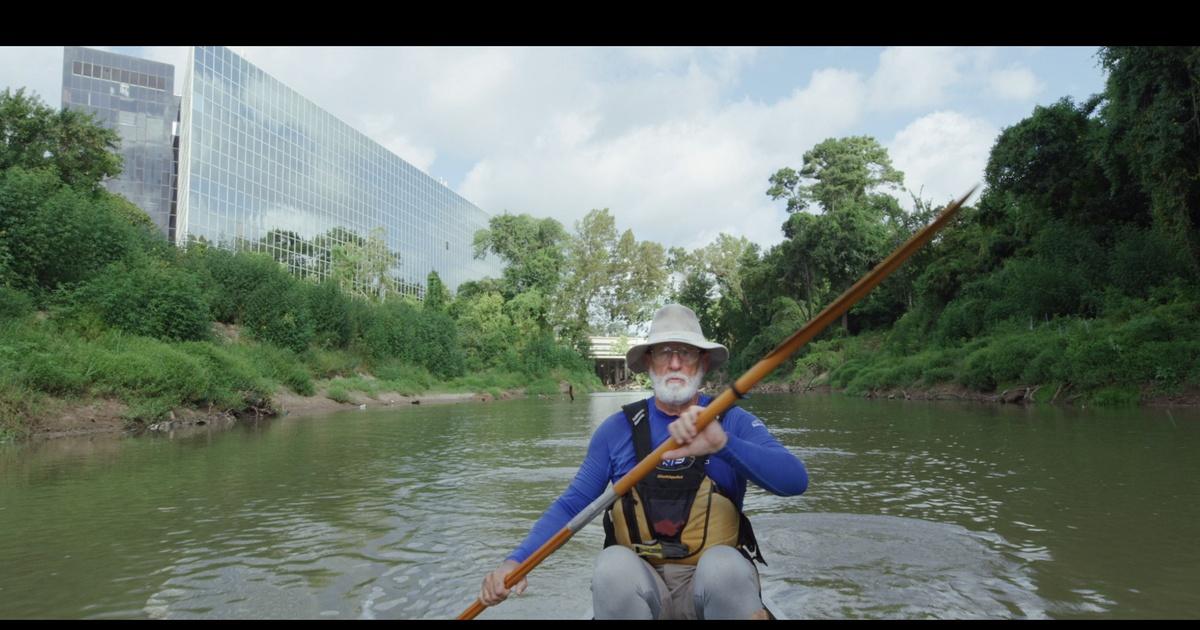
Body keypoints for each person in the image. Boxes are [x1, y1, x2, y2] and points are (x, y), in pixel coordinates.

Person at [478, 304, 809, 619]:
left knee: (725, 565)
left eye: (687, 352)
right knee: (611, 566)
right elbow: (572, 506)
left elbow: (795, 481)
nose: (675, 363)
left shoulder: (732, 422)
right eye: (665, 352)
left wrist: (722, 444)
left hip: (711, 591)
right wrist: (515, 561)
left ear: (703, 362)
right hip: (643, 590)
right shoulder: (616, 430)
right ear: (649, 362)